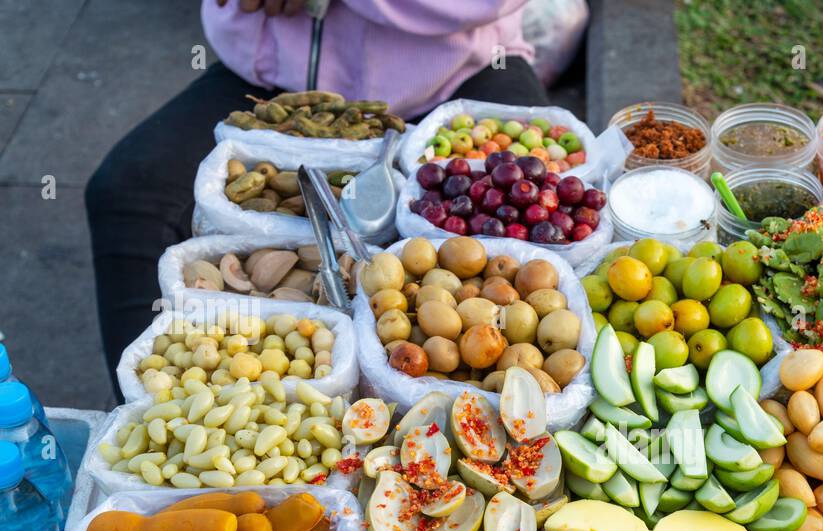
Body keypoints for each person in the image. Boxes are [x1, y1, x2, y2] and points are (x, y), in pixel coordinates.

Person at [86, 0, 546, 395]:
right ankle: (143, 414)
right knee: (127, 193)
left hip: (457, 72)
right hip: (275, 85)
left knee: (527, 215)